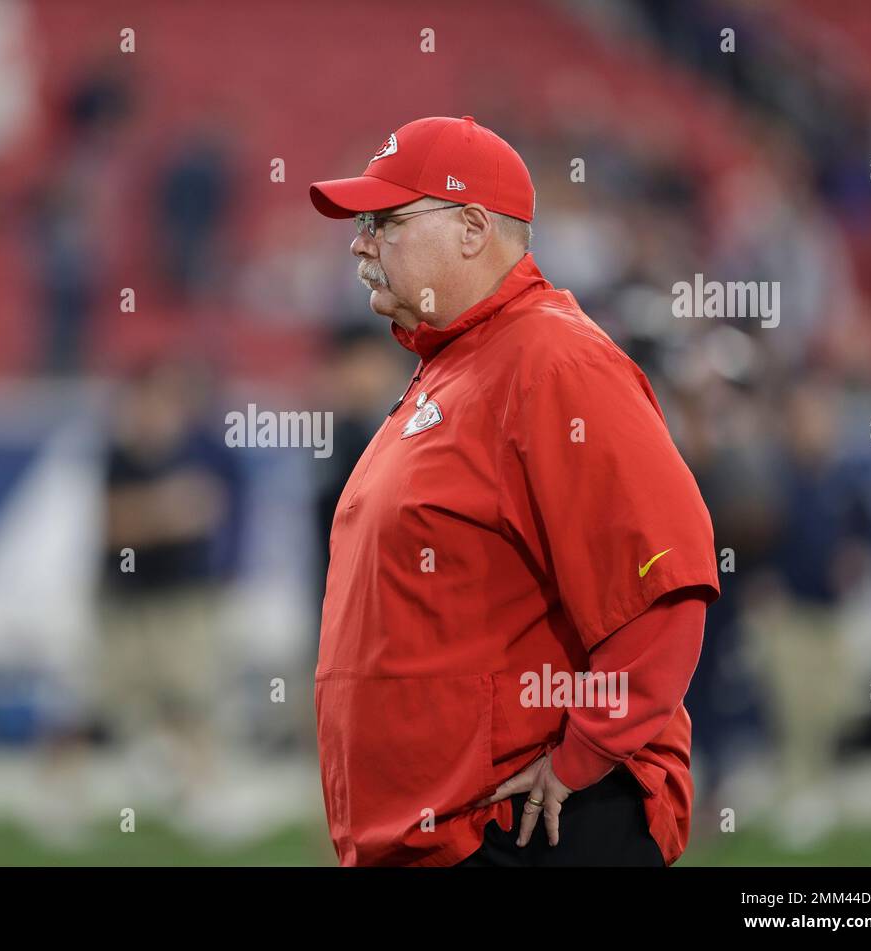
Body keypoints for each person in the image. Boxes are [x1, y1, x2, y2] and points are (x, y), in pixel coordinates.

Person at [308, 115, 720, 866]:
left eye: (384, 221)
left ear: (471, 227)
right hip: (454, 831)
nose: (360, 244)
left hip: (529, 829)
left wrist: (583, 757)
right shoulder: (461, 360)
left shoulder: (553, 361)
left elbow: (666, 580)